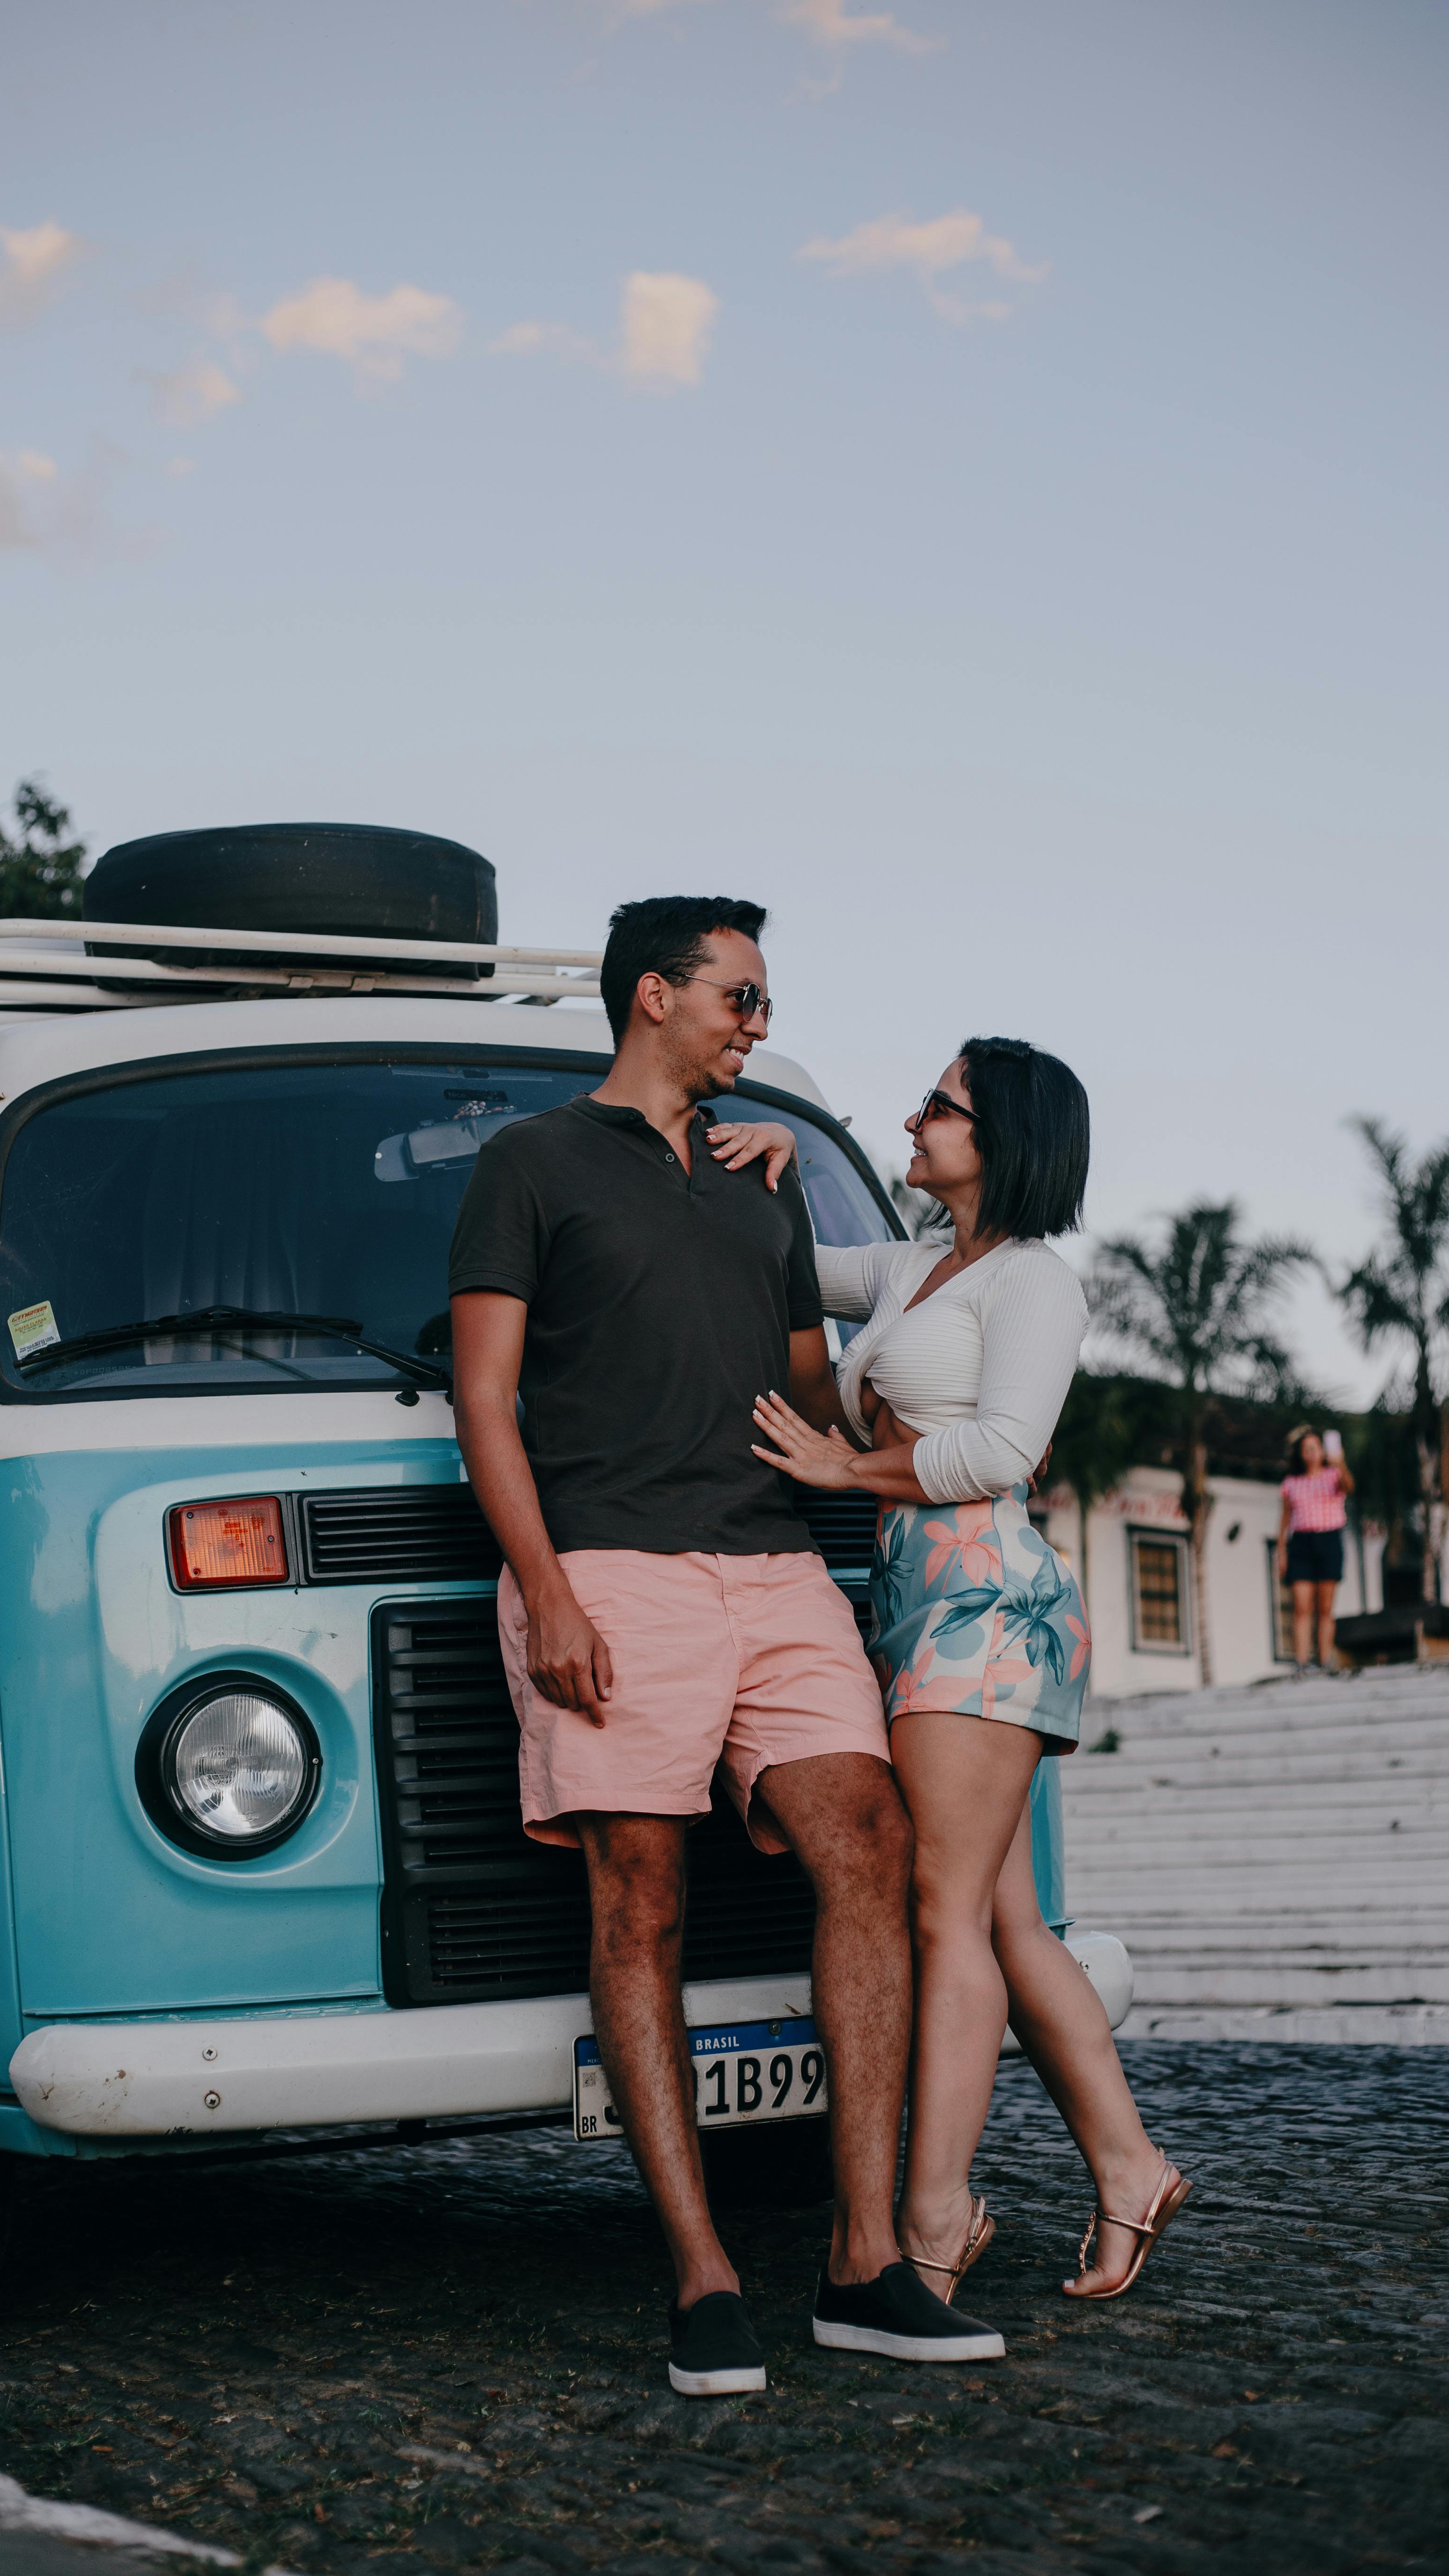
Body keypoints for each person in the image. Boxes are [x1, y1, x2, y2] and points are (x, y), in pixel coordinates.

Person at [448, 897, 1009, 2400]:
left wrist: (966, 1425)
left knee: (868, 1841)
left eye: (764, 1004)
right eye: (739, 997)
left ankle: (864, 2258)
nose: (759, 1025)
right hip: (610, 1572)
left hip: (772, 1572)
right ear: (653, 997)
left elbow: (822, 1410)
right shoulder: (531, 1163)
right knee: (641, 1892)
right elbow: (484, 1402)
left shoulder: (763, 1188)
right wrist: (547, 1590)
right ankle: (700, 2275)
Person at [716, 1041, 1191, 2305]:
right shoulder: (922, 1261)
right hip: (921, 1600)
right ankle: (1131, 2169)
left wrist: (841, 1469)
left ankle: (933, 2214)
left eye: (943, 1105)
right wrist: (775, 1173)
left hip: (986, 1599)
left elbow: (1001, 1449)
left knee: (944, 1912)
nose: (915, 1120)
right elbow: (789, 1266)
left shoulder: (1036, 1283)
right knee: (1004, 1920)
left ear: (1007, 1138)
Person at [1279, 1426, 1354, 1675]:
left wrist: (1340, 1463)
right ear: (1300, 1454)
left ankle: (1324, 1659)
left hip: (1329, 1540)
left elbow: (1349, 1486)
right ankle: (1301, 1662)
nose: (1311, 1452)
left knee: (1325, 1607)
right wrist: (1282, 1550)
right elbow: (1286, 1518)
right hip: (1301, 1542)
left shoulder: (1333, 1476)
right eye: (1306, 1449)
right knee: (1301, 1606)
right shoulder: (1291, 1483)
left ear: (1323, 1451)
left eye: (1315, 1447)